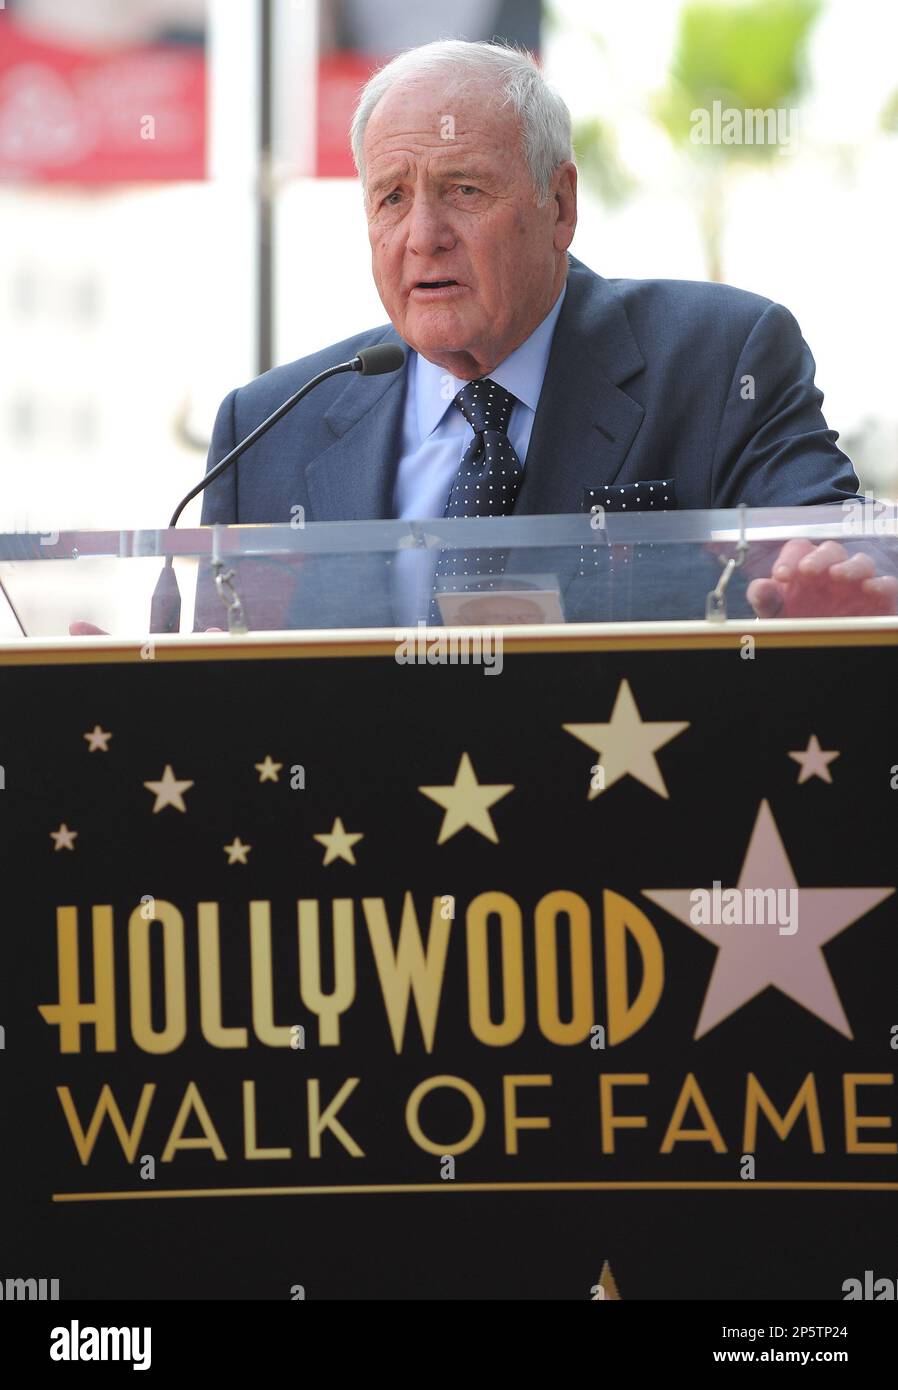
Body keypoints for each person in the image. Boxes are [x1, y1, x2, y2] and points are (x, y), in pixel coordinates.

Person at [195, 38, 894, 622]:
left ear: (560, 205)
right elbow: (217, 682)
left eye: (464, 189)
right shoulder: (266, 428)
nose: (423, 237)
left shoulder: (719, 359)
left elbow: (841, 541)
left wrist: (842, 579)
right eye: (392, 197)